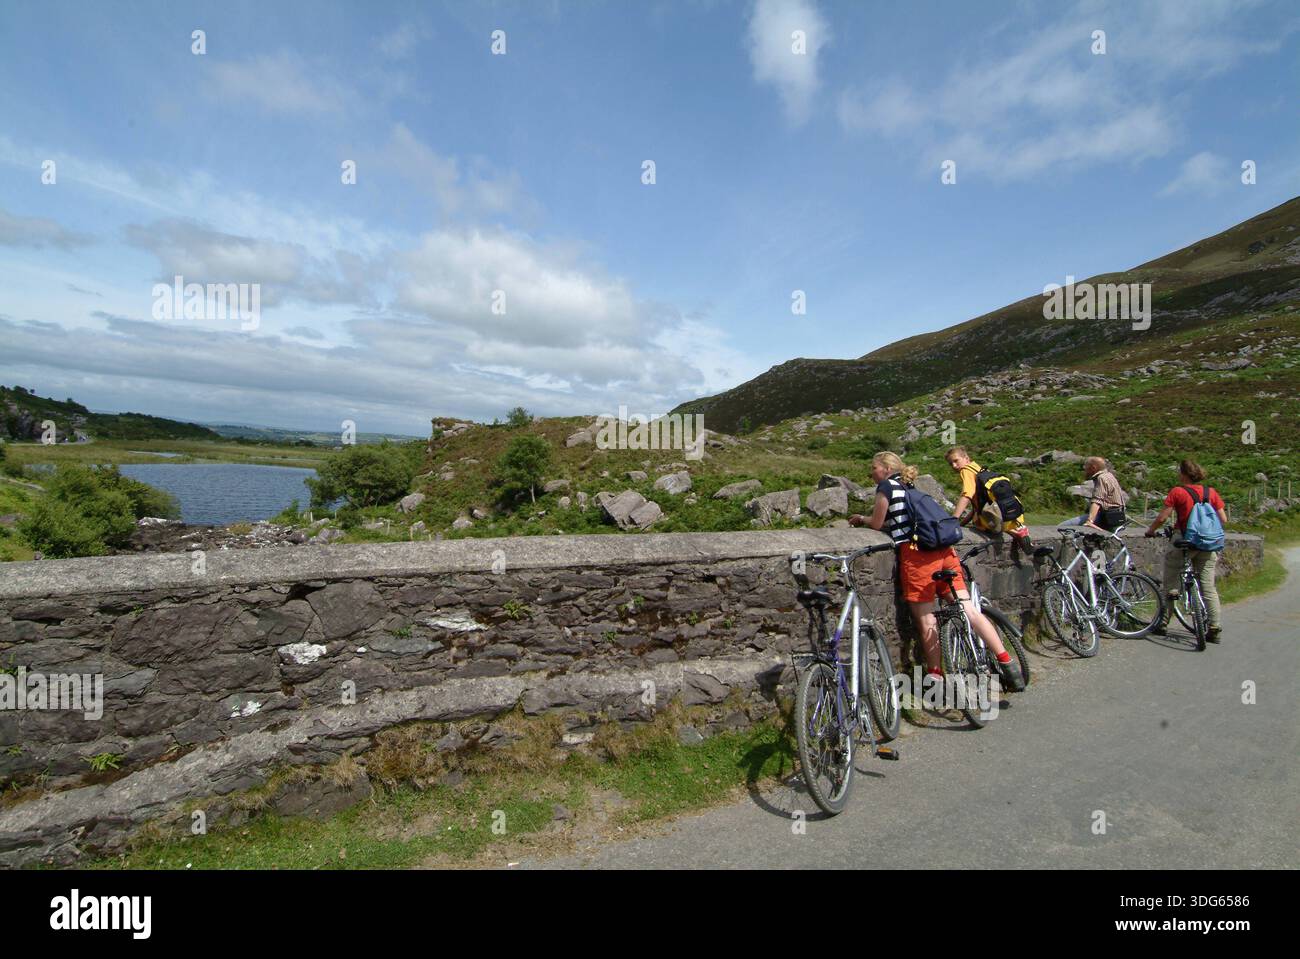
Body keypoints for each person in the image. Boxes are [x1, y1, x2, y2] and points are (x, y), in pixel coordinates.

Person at [849, 451, 1024, 691]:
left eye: (874, 468)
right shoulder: (909, 486)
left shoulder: (887, 488)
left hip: (918, 555)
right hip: (945, 551)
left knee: (926, 618)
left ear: (887, 469)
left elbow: (878, 523)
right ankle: (1008, 664)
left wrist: (861, 518)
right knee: (969, 609)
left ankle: (936, 676)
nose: (871, 473)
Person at [1144, 459, 1228, 643]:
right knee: (1208, 587)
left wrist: (1150, 531)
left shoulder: (1178, 491)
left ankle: (1163, 623)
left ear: (1183, 474)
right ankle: (1214, 627)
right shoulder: (1211, 492)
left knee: (1171, 580)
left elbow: (1162, 517)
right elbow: (1223, 518)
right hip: (1208, 543)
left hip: (1183, 540)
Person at [945, 446, 1032, 546]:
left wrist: (954, 519)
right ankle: (1018, 531)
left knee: (977, 526)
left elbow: (967, 494)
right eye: (951, 464)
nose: (954, 466)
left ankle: (1015, 532)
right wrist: (962, 523)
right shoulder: (979, 469)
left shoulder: (966, 471)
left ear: (966, 458)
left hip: (995, 519)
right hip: (1011, 515)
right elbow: (977, 507)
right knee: (977, 520)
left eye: (956, 461)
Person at [1061, 457, 1127, 531]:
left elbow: (1097, 500)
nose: (1085, 471)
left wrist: (1090, 520)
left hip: (1105, 516)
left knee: (1062, 527)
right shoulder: (1109, 475)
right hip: (1117, 515)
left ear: (1093, 467)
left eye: (1086, 468)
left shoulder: (1101, 478)